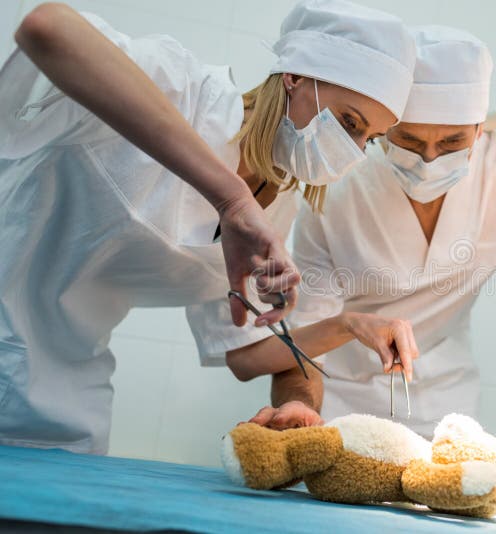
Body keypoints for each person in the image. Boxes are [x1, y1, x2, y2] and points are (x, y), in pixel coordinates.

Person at [0, 0, 419, 454]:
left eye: (369, 140)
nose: (353, 149)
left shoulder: (274, 207)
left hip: (68, 393)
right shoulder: (184, 91)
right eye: (349, 122)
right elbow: (47, 28)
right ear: (295, 77)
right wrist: (231, 200)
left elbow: (245, 353)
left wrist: (349, 325)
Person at [232, 26, 496, 436]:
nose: (430, 160)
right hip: (338, 404)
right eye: (410, 141)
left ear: (479, 130)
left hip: (446, 406)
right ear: (384, 129)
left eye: (452, 143)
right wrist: (299, 405)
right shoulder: (337, 184)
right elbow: (306, 334)